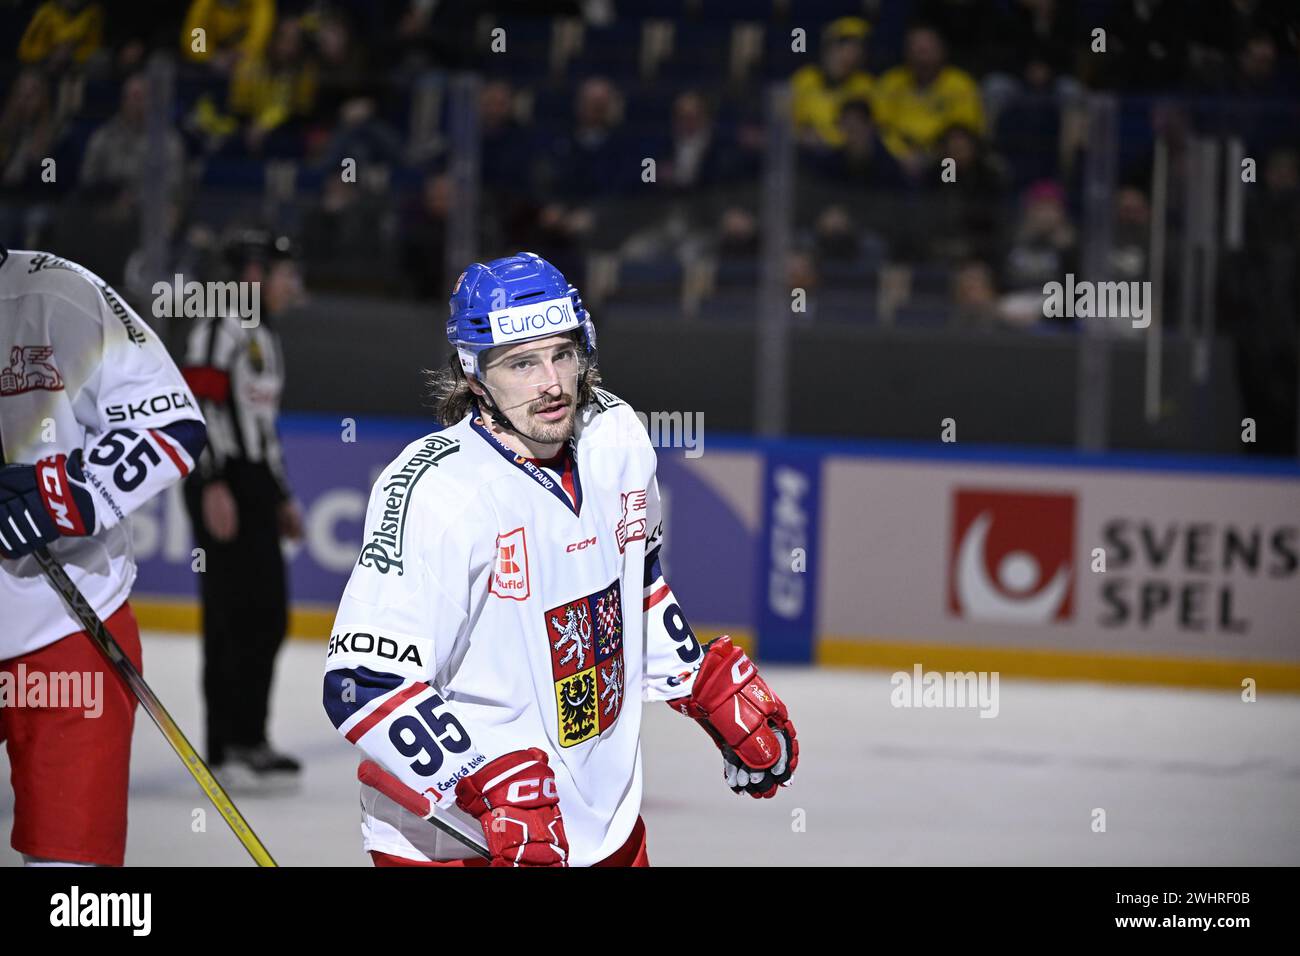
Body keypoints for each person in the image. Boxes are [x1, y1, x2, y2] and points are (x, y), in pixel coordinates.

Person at [323, 252, 799, 866]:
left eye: (563, 353)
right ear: (473, 376)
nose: (551, 383)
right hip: (462, 841)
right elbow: (361, 682)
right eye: (522, 363)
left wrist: (694, 678)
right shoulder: (435, 490)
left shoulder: (616, 435)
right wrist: (486, 781)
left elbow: (638, 577)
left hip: (606, 825)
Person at [0, 246, 206, 866]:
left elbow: (173, 428)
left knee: (70, 874)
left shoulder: (59, 292)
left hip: (62, 624)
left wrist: (54, 498)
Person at [181, 229, 304, 790]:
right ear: (253, 275)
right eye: (284, 274)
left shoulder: (269, 336)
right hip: (220, 477)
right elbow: (195, 409)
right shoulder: (215, 326)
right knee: (229, 613)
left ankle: (250, 737)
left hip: (251, 482)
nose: (293, 286)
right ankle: (224, 745)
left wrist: (279, 495)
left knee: (268, 613)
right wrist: (211, 482)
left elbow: (263, 426)